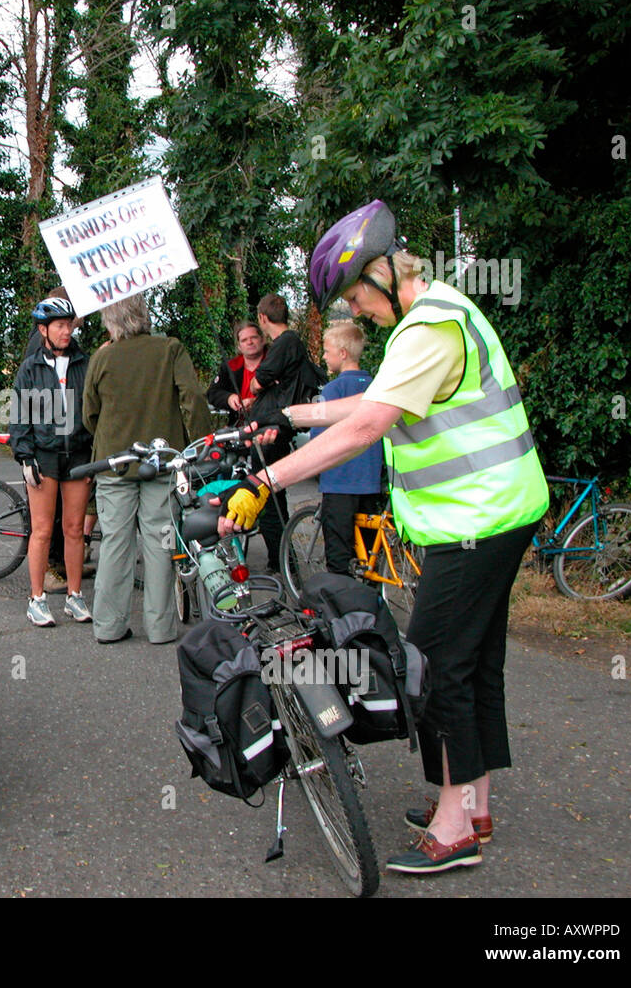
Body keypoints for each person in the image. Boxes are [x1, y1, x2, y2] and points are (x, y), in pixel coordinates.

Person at [217, 200, 548, 874]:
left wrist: (267, 481)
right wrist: (288, 415)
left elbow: (368, 428)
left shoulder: (426, 330)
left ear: (377, 275)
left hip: (474, 522)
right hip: (501, 513)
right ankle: (473, 802)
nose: (356, 312)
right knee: (476, 661)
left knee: (434, 664)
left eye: (354, 297)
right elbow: (368, 406)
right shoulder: (446, 311)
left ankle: (455, 828)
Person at [82, 294, 210, 645]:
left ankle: (108, 625)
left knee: (114, 545)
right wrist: (197, 444)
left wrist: (108, 436)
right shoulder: (170, 349)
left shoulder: (102, 357)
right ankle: (160, 628)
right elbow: (193, 399)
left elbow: (89, 414)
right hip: (161, 461)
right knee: (160, 543)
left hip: (115, 463)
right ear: (144, 315)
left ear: (111, 322)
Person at [9, 297, 94, 627]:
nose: (66, 330)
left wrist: (95, 449)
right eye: (59, 325)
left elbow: (95, 409)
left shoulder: (84, 363)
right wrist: (24, 455)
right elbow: (19, 416)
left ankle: (75, 596)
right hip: (44, 455)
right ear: (43, 329)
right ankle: (37, 598)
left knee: (74, 530)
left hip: (78, 454)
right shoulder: (31, 368)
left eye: (69, 324)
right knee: (43, 530)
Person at [244, 294, 319, 570]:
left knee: (267, 493)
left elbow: (257, 383)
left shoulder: (285, 342)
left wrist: (259, 384)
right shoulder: (291, 344)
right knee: (273, 494)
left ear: (263, 318)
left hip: (271, 430)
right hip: (275, 423)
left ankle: (281, 560)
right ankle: (282, 558)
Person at [310, 320, 385, 575]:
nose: (324, 356)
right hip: (370, 482)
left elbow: (318, 437)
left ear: (342, 354)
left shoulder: (332, 390)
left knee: (339, 556)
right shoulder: (377, 387)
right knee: (369, 555)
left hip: (339, 483)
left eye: (327, 351)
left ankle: (343, 608)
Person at [207, 319, 267, 427]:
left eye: (254, 337)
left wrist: (256, 403)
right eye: (244, 340)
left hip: (269, 425)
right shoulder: (231, 366)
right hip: (238, 428)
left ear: (262, 340)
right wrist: (229, 398)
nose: (249, 342)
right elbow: (212, 393)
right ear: (239, 346)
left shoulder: (274, 363)